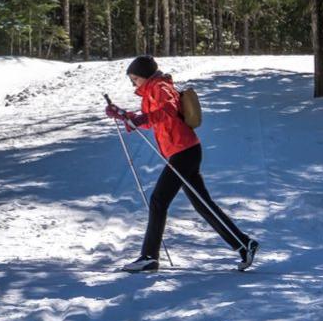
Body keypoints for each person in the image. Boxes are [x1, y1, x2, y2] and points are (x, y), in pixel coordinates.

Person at [105, 54, 259, 273]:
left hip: (183, 152)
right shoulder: (151, 92)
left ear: (145, 76)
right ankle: (244, 244)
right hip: (184, 151)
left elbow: (167, 111)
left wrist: (141, 118)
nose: (133, 84)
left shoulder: (161, 87)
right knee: (202, 204)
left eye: (135, 79)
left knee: (158, 200)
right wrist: (124, 115)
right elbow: (152, 120)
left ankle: (149, 257)